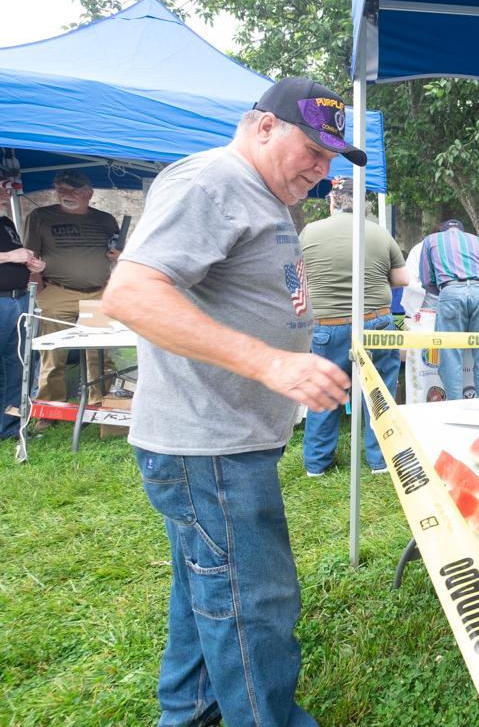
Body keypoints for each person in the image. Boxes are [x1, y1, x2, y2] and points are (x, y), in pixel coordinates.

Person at [103, 77, 362, 727]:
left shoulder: (265, 196)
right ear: (262, 126)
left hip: (225, 440)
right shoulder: (211, 181)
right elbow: (131, 294)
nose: (321, 169)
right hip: (207, 444)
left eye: (332, 158)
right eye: (314, 149)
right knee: (254, 602)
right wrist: (271, 361)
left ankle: (188, 712)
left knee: (205, 588)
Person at [299, 177, 408, 477]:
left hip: (328, 326)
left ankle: (316, 465)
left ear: (332, 202)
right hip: (376, 323)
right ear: (365, 204)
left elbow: (295, 279)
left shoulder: (310, 232)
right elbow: (402, 280)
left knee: (324, 392)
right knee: (379, 393)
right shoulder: (379, 233)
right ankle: (380, 461)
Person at [25, 169, 121, 407]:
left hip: (98, 293)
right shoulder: (40, 216)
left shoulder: (105, 219)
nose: (66, 193)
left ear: (88, 193)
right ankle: (49, 407)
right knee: (52, 353)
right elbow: (30, 256)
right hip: (57, 293)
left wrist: (117, 257)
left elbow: (117, 254)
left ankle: (102, 403)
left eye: (73, 189)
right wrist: (38, 292)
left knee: (99, 352)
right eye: (61, 188)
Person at [418, 219, 479, 400]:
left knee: (450, 355)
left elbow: (427, 280)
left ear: (443, 231)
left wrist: (447, 291)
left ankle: (454, 408)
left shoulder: (431, 240)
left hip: (450, 291)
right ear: (462, 231)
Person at [0, 179, 45, 438]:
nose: (7, 193)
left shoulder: (6, 222)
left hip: (19, 301)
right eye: (1, 188)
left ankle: (9, 428)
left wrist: (31, 266)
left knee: (16, 366)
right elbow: (9, 256)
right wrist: (10, 256)